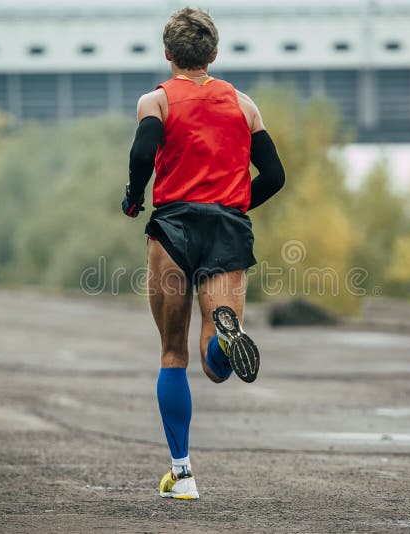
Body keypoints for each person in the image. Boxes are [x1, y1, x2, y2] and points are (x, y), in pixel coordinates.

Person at [121, 7, 285, 500]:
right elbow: (275, 176)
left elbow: (142, 154)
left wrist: (134, 196)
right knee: (214, 364)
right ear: (212, 54)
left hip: (173, 227)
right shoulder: (244, 104)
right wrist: (236, 204)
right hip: (227, 229)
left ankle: (183, 475)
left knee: (172, 352)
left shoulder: (157, 101)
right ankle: (224, 340)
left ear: (169, 55)